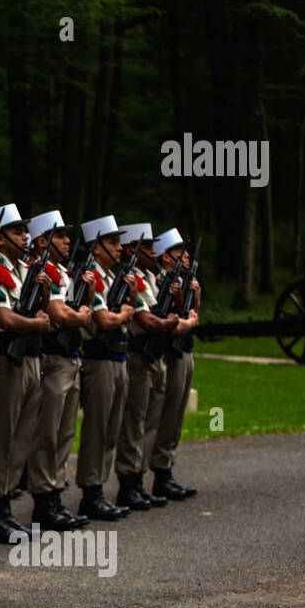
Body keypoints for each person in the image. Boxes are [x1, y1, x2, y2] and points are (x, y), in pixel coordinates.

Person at [0, 203, 52, 543]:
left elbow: (36, 308)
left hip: (28, 357)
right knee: (1, 437)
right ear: (0, 238)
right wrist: (37, 323)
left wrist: (44, 294)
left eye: (25, 231)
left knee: (21, 437)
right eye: (18, 232)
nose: (26, 236)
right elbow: (4, 318)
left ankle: (5, 506)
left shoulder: (24, 268)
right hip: (5, 359)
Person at [22, 210, 91, 531]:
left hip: (70, 355)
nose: (67, 241)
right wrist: (82, 316)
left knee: (64, 431)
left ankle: (55, 492)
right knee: (47, 432)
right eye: (60, 236)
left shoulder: (61, 271)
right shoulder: (42, 270)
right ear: (41, 241)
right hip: (53, 357)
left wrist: (80, 313)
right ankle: (44, 499)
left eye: (66, 235)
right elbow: (61, 313)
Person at [75, 215, 138, 522]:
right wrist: (126, 313)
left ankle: (99, 485)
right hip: (99, 359)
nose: (119, 248)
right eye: (112, 242)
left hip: (118, 357)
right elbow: (103, 320)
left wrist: (129, 305)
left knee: (111, 428)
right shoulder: (93, 276)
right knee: (98, 428)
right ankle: (91, 491)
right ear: (95, 246)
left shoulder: (112, 276)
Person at [113, 223, 179, 511]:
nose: (154, 251)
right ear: (132, 250)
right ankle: (129, 482)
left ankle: (138, 479)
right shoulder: (130, 278)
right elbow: (146, 319)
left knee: (150, 420)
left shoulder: (148, 277)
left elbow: (156, 312)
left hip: (153, 355)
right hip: (139, 355)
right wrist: (172, 324)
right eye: (148, 246)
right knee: (134, 422)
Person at [143, 228, 201, 500]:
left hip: (184, 350)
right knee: (163, 414)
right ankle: (155, 472)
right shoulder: (158, 281)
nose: (186, 256)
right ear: (166, 257)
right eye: (180, 252)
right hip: (169, 352)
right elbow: (170, 320)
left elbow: (192, 313)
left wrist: (192, 301)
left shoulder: (183, 280)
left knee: (176, 415)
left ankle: (165, 470)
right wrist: (187, 320)